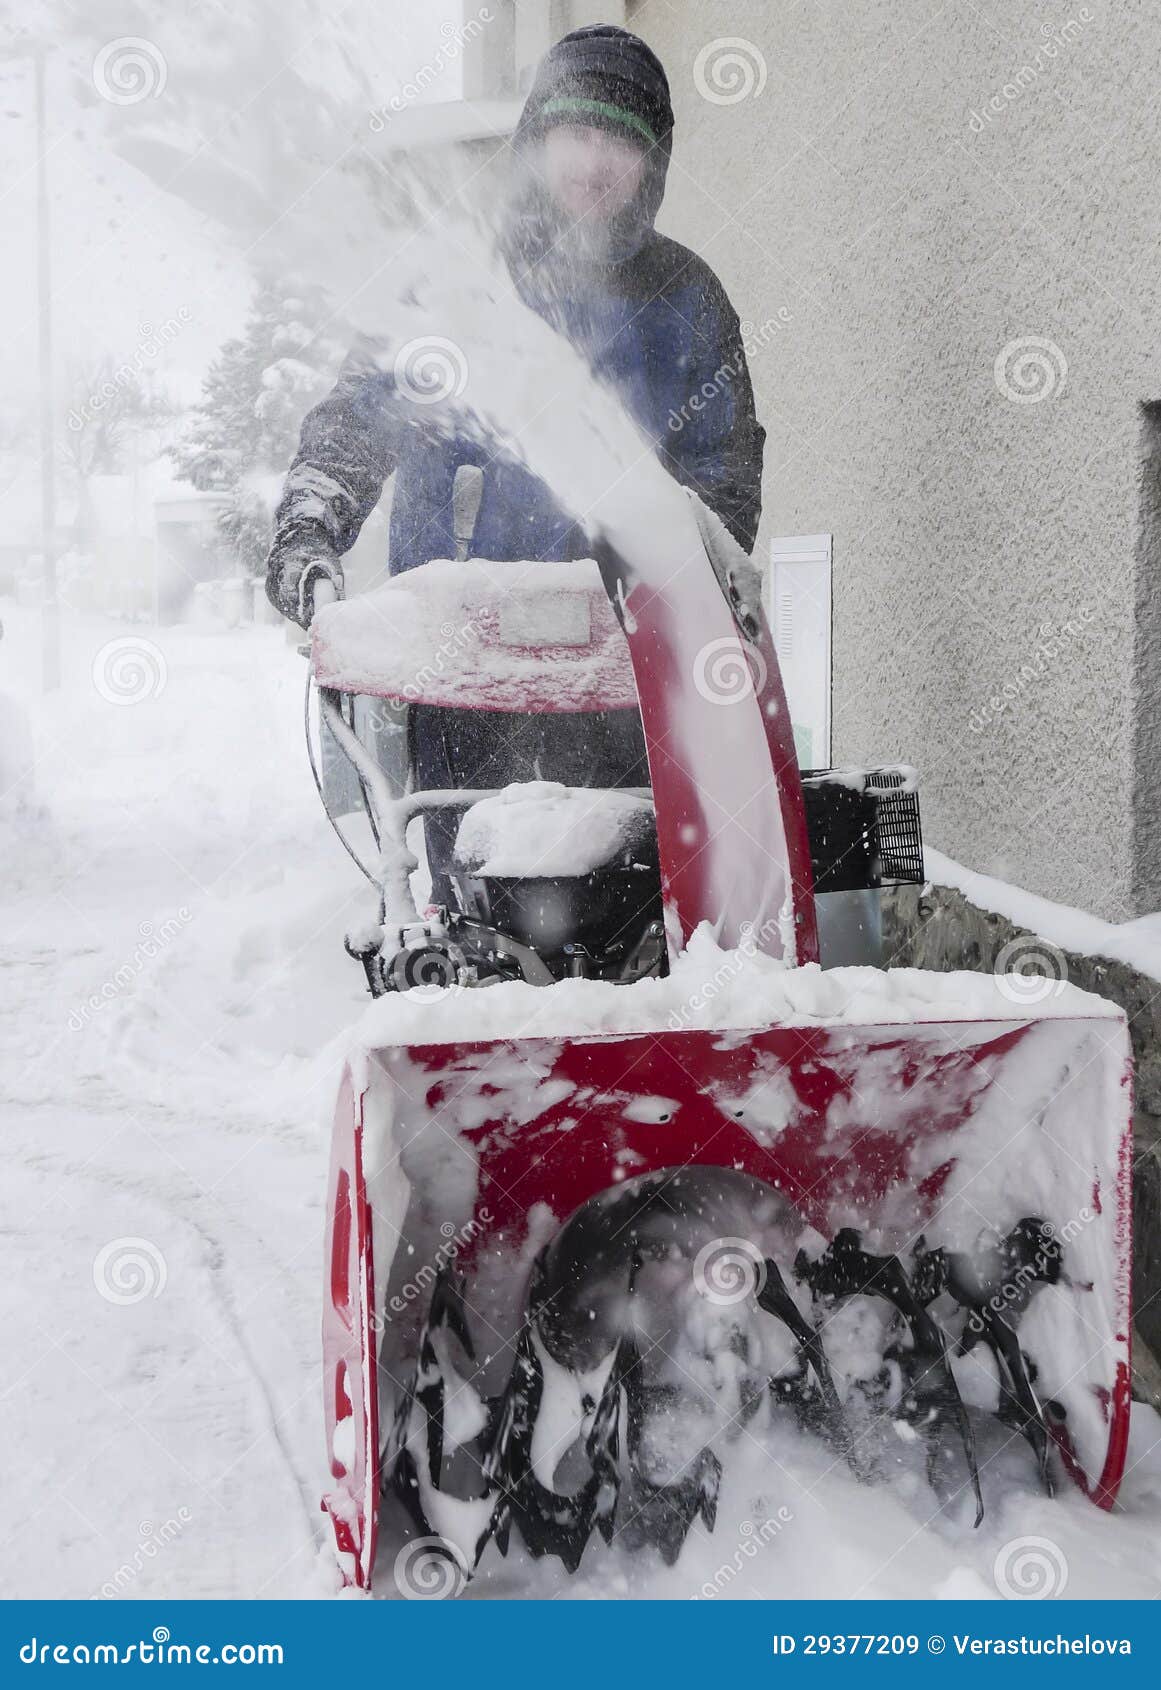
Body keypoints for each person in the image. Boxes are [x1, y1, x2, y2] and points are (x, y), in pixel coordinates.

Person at [266, 24, 767, 897]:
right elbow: (356, 419)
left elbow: (721, 479)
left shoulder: (684, 297)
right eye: (576, 134)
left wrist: (696, 603)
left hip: (626, 669)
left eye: (621, 140)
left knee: (627, 907)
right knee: (475, 900)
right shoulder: (452, 280)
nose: (595, 162)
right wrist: (310, 525)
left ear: (652, 163)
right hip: (463, 659)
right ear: (537, 142)